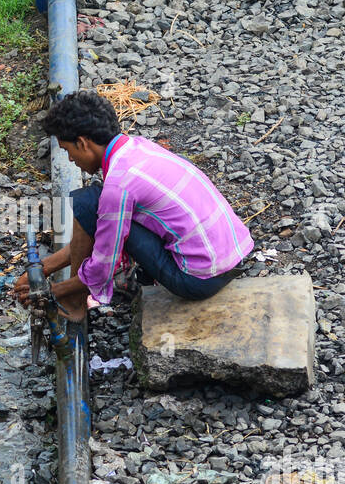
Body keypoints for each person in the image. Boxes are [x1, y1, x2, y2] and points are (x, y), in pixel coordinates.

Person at [13, 90, 256, 322]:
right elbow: (98, 236)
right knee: (101, 209)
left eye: (68, 151)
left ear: (83, 143)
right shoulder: (138, 147)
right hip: (234, 257)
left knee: (87, 203)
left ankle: (76, 302)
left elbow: (102, 266)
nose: (70, 160)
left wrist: (54, 291)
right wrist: (43, 268)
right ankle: (103, 286)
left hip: (198, 281)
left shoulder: (118, 186)